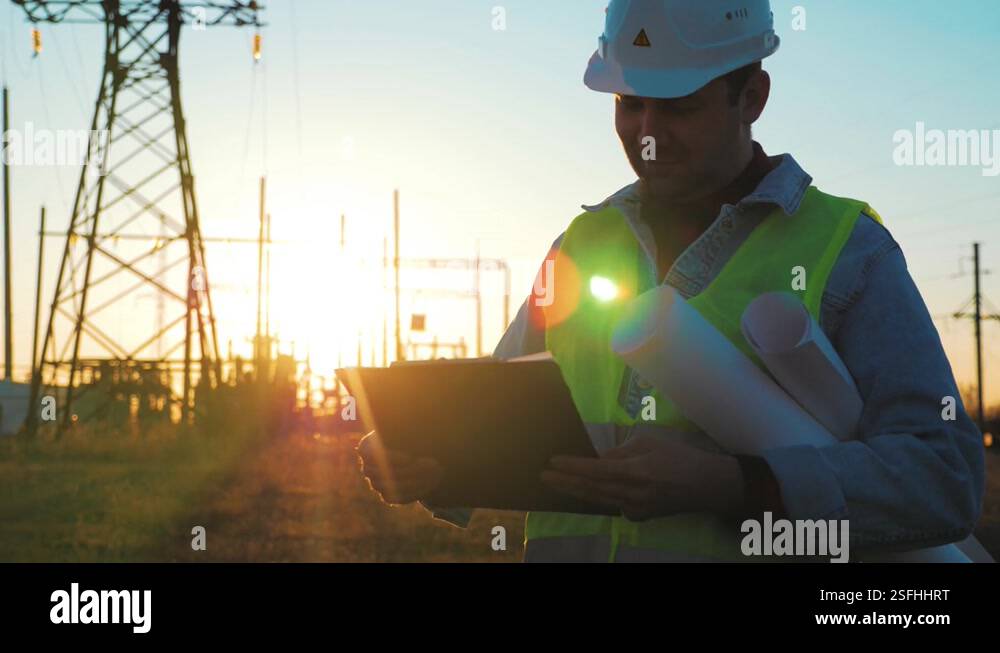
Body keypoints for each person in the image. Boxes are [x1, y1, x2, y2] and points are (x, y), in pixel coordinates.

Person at [357, 0, 984, 562]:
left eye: (680, 107)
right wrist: (426, 460)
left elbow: (943, 477)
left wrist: (734, 486)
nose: (647, 134)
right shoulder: (581, 246)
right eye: (631, 104)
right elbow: (496, 418)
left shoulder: (848, 252)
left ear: (753, 97)